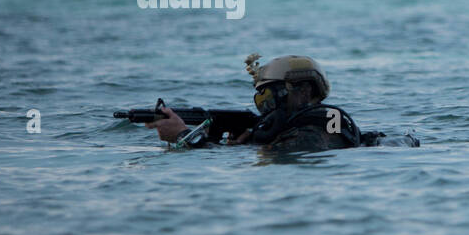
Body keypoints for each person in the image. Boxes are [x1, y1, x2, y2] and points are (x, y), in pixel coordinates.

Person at [147, 54, 376, 151]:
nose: (265, 109)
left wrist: (183, 136)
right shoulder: (321, 123)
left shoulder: (313, 132)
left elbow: (287, 153)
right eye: (259, 100)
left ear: (304, 92)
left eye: (268, 98)